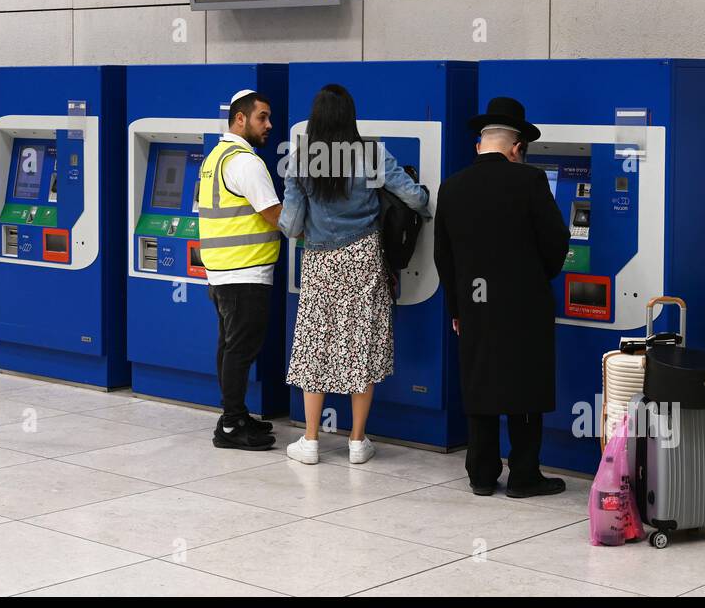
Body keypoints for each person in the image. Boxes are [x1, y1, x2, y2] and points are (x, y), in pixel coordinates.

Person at [280, 84, 430, 465]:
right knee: (360, 344)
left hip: (319, 264)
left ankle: (311, 441)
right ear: (351, 118)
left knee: (317, 346)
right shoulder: (372, 155)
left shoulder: (300, 161)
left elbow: (291, 224)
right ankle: (357, 442)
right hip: (364, 260)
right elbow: (415, 198)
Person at [433, 96, 570, 497]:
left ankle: (481, 473)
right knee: (524, 384)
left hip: (473, 304)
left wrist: (458, 307)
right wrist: (537, 277)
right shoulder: (529, 181)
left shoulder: (453, 187)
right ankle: (524, 474)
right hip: (524, 305)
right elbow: (556, 242)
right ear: (516, 148)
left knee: (481, 381)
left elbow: (444, 255)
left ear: (480, 145)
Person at [199, 89, 283, 451]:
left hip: (221, 272)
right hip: (245, 273)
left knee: (229, 346)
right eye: (262, 117)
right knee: (240, 350)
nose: (269, 125)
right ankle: (231, 425)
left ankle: (234, 414)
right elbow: (275, 215)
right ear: (240, 119)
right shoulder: (247, 162)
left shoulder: (216, 156)